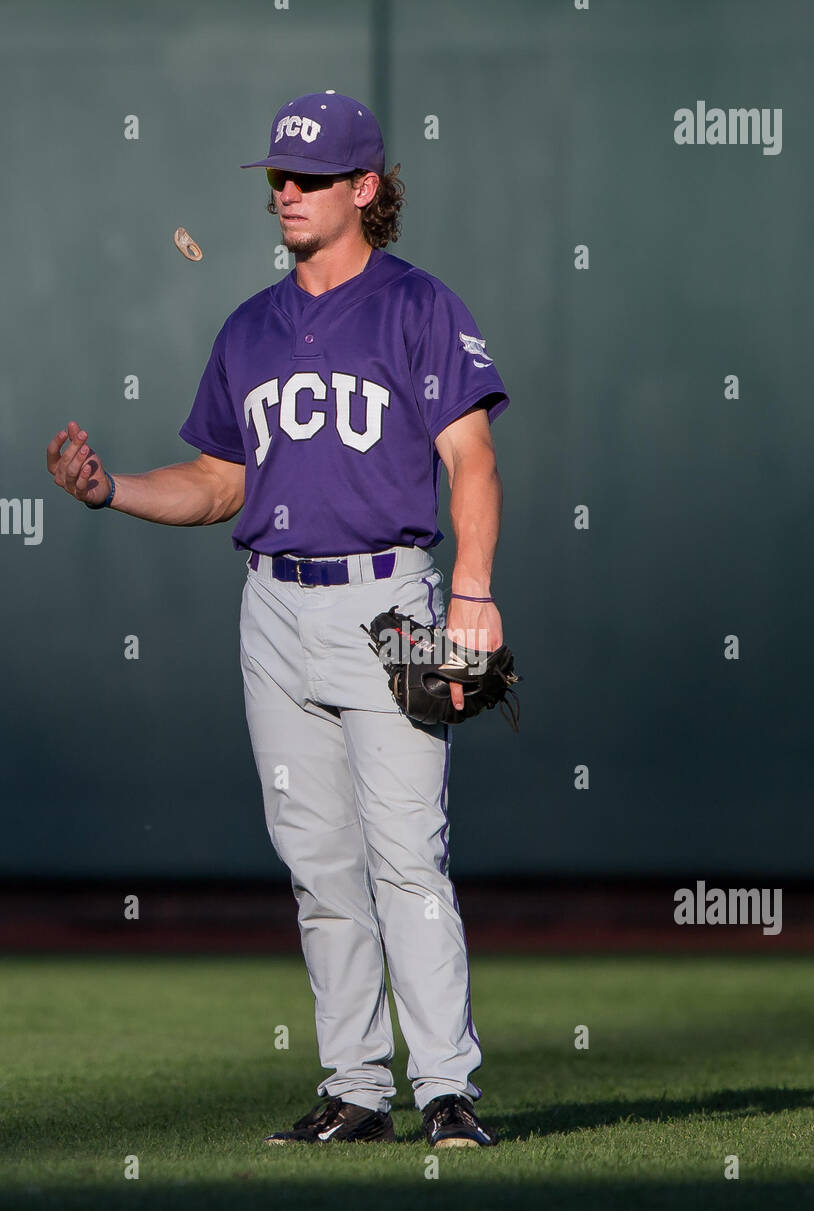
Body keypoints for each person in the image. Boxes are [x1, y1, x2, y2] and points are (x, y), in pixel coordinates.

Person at [46, 92, 510, 1150]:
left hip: (390, 598)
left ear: (364, 188)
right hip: (273, 607)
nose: (286, 193)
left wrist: (472, 593)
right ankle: (355, 1089)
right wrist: (110, 487)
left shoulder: (416, 306)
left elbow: (470, 461)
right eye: (277, 178)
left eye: (307, 177)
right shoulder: (249, 327)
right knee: (318, 864)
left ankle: (446, 1089)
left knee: (406, 856)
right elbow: (217, 483)